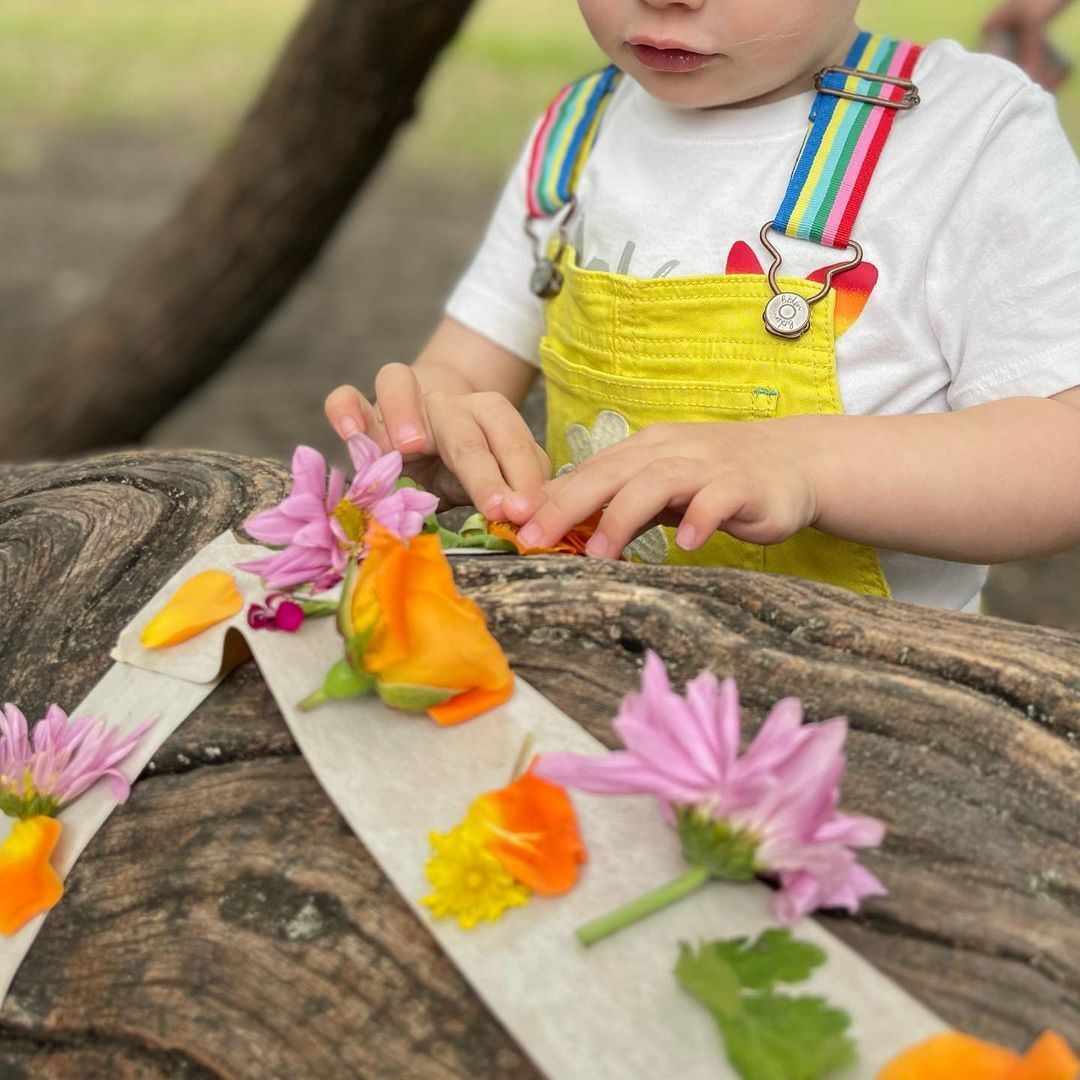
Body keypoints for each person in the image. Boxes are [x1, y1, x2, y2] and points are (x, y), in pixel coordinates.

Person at [324, 0, 1080, 613]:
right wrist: (442, 421)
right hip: (586, 661)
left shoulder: (970, 135)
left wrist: (803, 465)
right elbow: (462, 366)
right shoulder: (578, 132)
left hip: (850, 709)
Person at [982, 0, 1072, 89]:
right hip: (1007, 35)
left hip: (1019, 33)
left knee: (1058, 69)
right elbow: (1031, 20)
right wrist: (1031, 67)